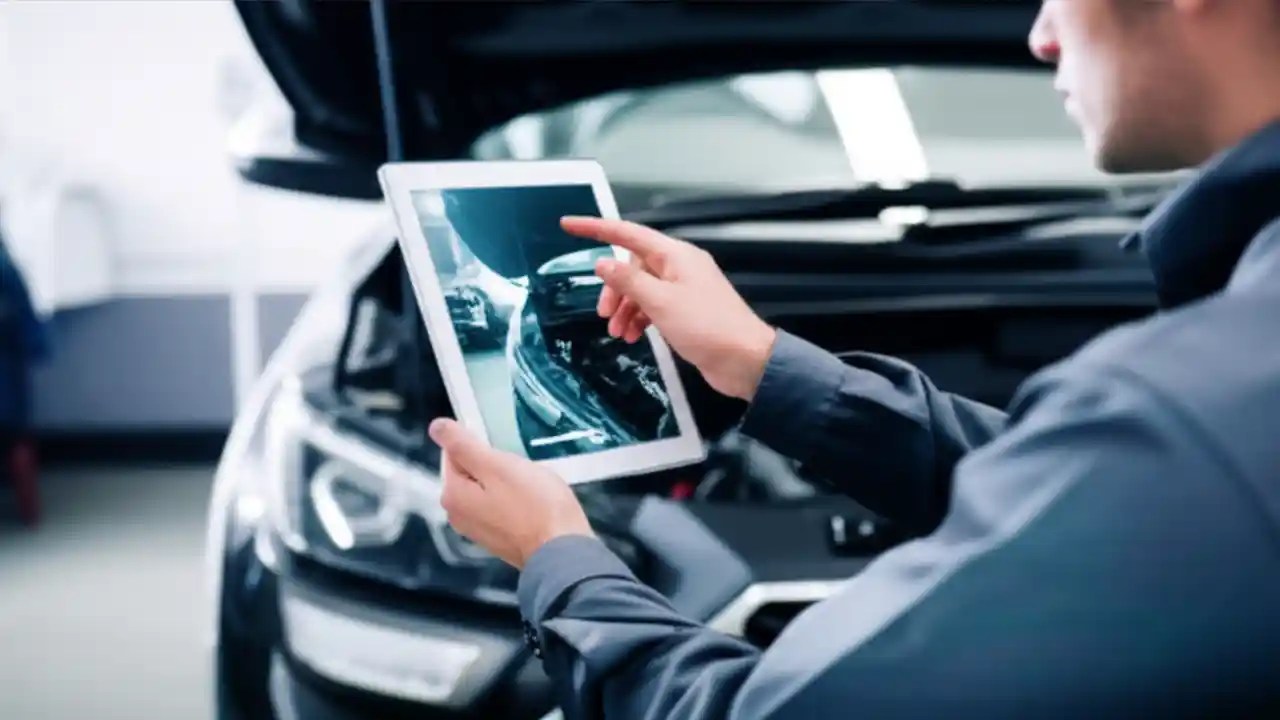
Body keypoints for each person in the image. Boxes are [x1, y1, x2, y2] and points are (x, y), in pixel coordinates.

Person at [428, 1, 1280, 717]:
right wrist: (766, 366)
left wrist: (560, 562)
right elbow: (1116, 501)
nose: (1041, 36)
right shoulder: (1215, 405)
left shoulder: (1188, 409)